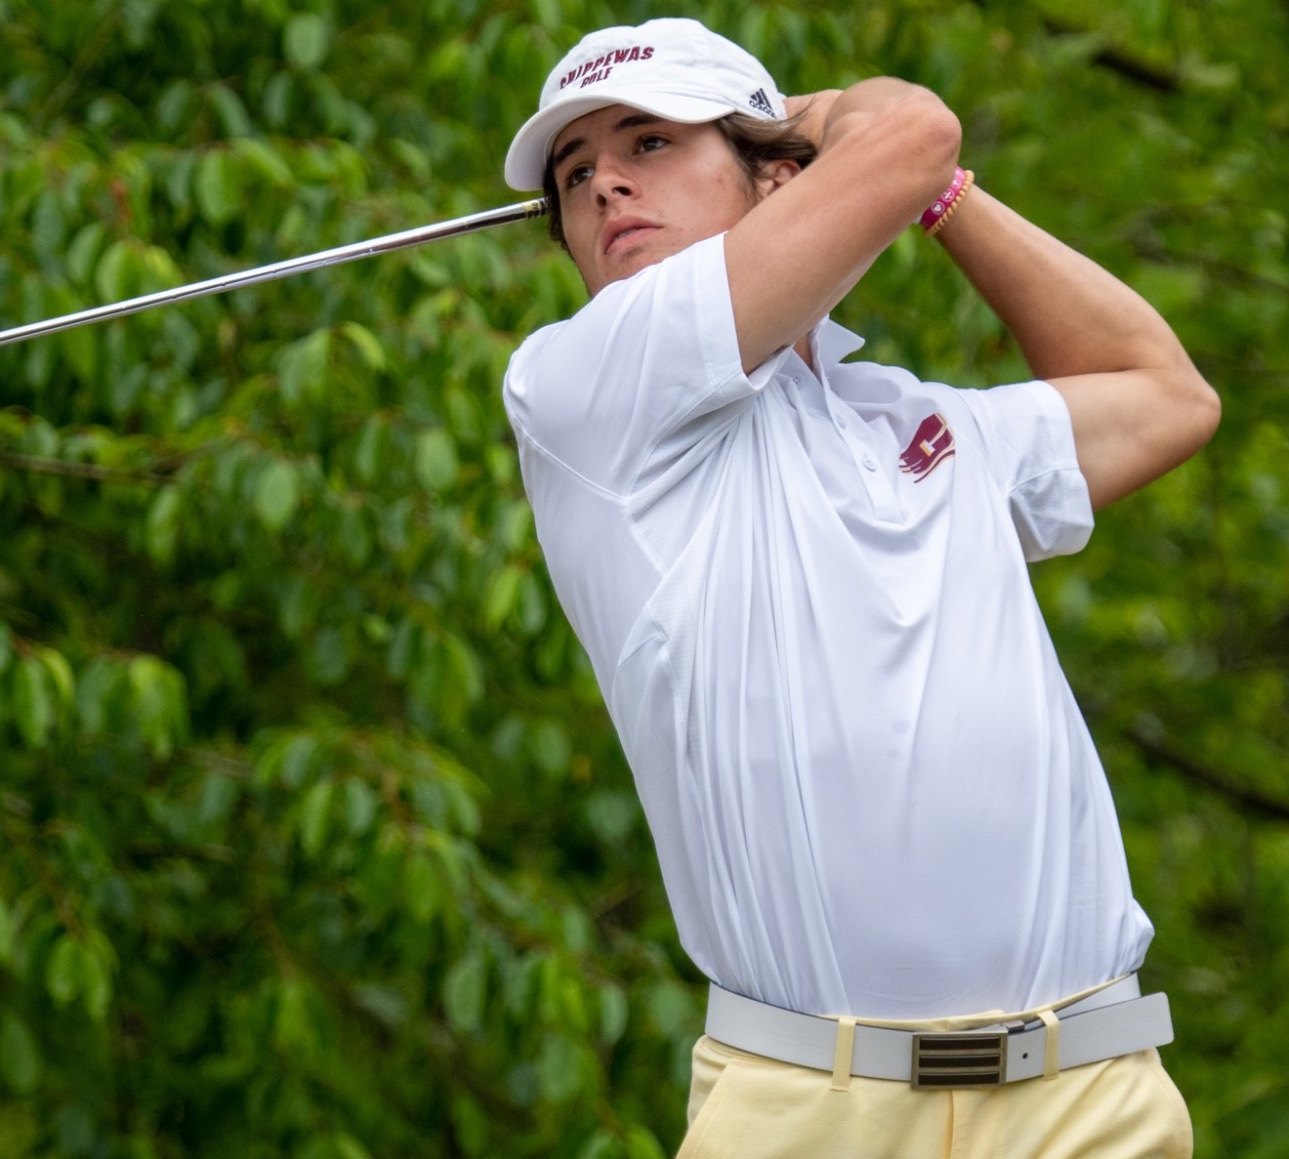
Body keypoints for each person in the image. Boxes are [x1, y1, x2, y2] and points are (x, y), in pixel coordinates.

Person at [499, 18, 1219, 1158]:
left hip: (1085, 1088)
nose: (602, 187)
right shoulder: (586, 384)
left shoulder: (918, 422)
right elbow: (914, 126)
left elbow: (1163, 394)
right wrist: (845, 124)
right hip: (806, 1107)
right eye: (574, 174)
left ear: (777, 177)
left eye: (647, 143)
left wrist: (938, 197)